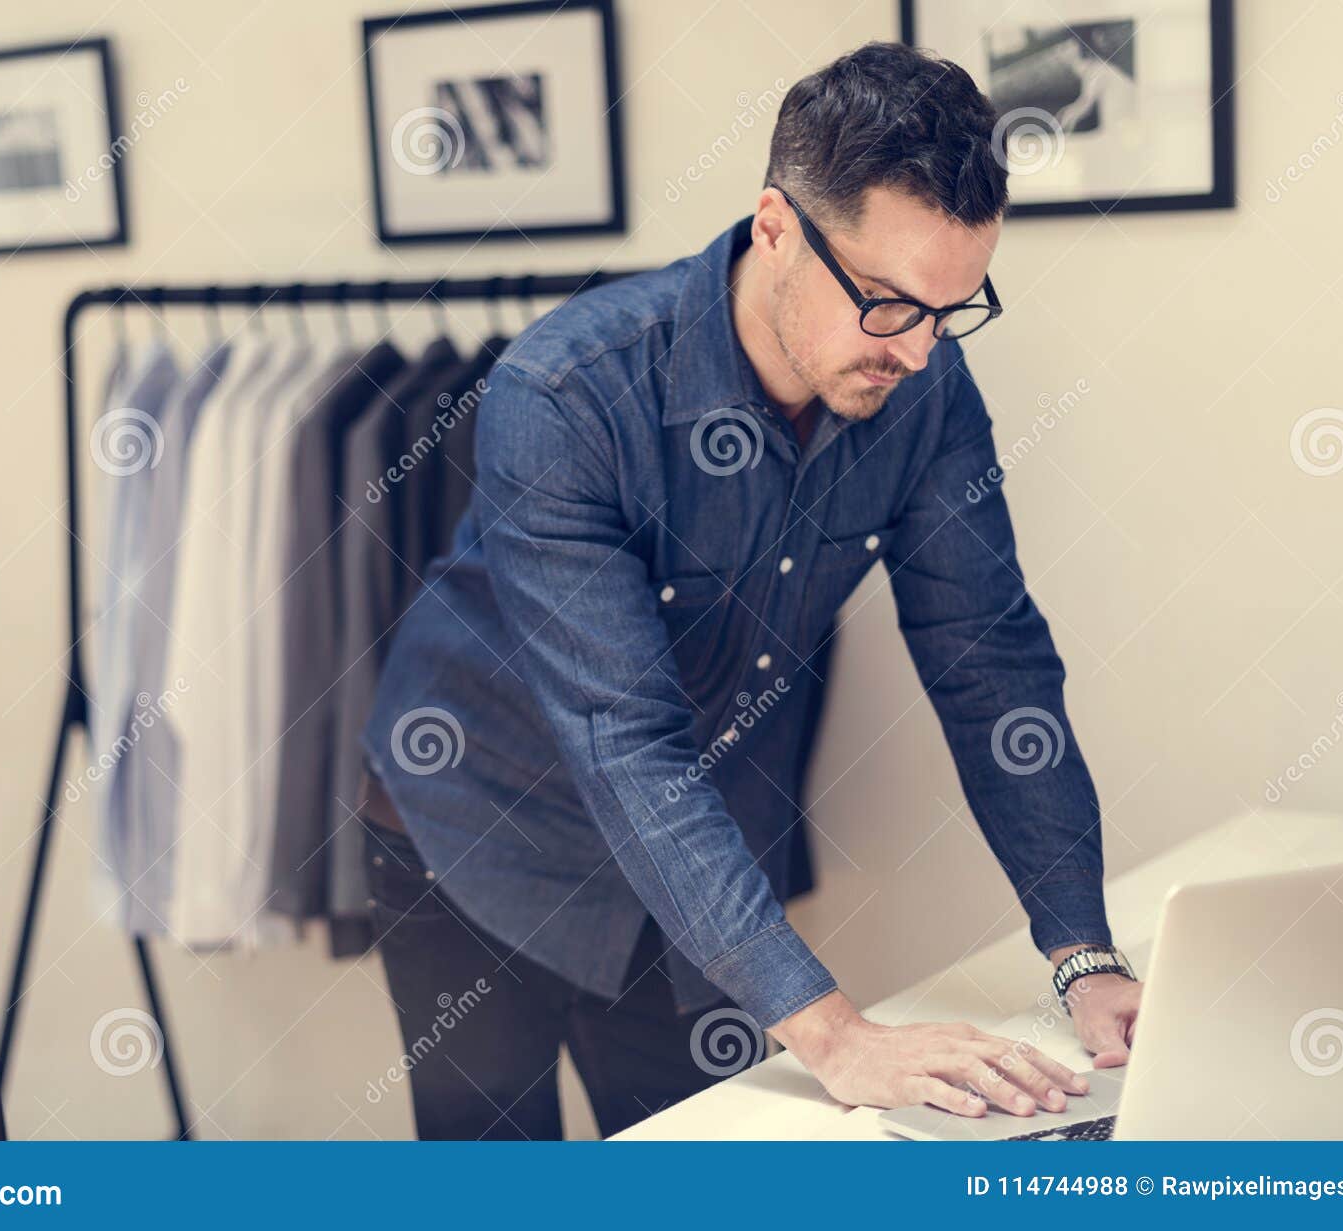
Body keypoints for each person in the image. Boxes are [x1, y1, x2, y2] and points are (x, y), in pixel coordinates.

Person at [358, 40, 1141, 1140]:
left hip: (696, 854)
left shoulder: (922, 389)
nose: (920, 351)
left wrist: (1081, 954)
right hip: (481, 828)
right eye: (887, 301)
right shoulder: (564, 393)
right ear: (776, 227)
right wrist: (837, 1034)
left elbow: (990, 661)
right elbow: (627, 742)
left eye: (952, 307)